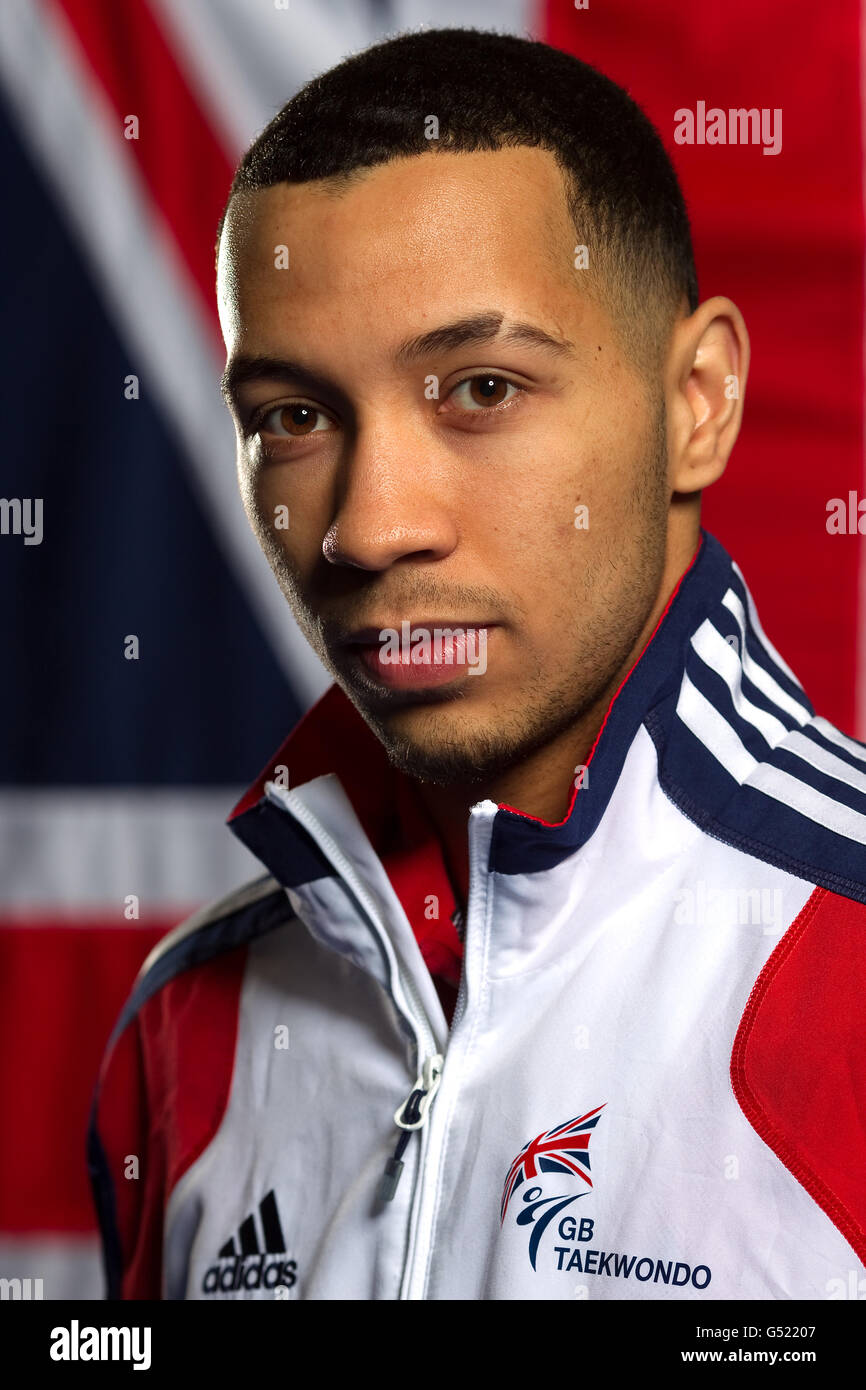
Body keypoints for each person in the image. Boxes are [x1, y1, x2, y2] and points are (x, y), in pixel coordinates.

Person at [89, 26, 866, 1300]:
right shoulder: (189, 1019)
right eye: (292, 416)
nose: (369, 525)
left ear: (697, 402)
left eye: (481, 388)